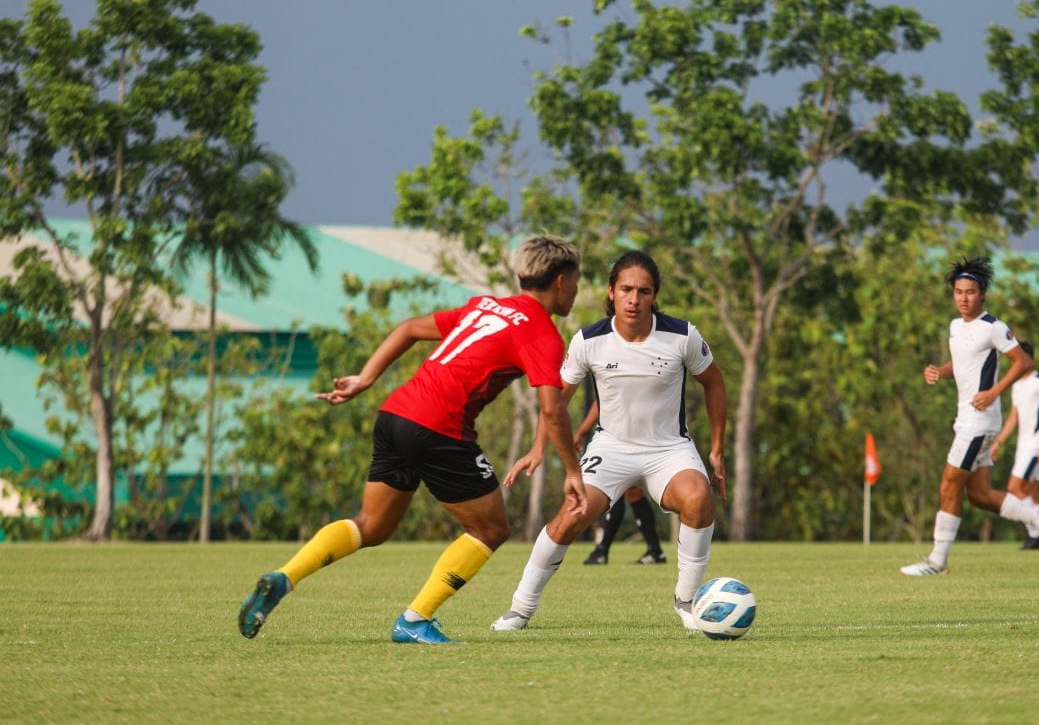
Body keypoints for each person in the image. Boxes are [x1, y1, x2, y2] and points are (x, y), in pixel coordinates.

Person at [236, 235, 588, 644]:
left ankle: (284, 577)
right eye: (577, 282)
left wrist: (365, 380)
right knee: (491, 529)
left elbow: (408, 329)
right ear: (561, 281)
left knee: (372, 525)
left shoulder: (483, 306)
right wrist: (572, 471)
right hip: (440, 428)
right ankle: (415, 619)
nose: (576, 292)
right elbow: (552, 409)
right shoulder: (541, 332)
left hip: (395, 415)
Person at [489, 249, 727, 632]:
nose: (635, 299)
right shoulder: (588, 340)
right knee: (572, 514)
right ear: (612, 291)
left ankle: (687, 601)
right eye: (627, 289)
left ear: (654, 295)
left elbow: (714, 382)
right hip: (610, 449)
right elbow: (556, 399)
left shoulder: (682, 335)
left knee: (698, 499)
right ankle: (520, 608)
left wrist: (716, 450)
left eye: (644, 291)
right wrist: (537, 448)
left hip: (668, 449)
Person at [901, 256, 1039, 576]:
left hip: (980, 421)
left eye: (971, 291)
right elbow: (962, 368)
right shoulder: (954, 327)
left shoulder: (994, 327)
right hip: (965, 419)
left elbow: (1023, 362)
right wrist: (939, 371)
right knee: (978, 495)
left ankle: (937, 562)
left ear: (983, 293)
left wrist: (994, 392)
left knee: (948, 484)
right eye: (959, 291)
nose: (964, 298)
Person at [572, 400, 667, 565]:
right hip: (629, 434)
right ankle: (654, 551)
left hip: (633, 435)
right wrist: (583, 430)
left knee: (616, 489)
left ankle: (602, 551)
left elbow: (602, 400)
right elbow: (602, 399)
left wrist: (582, 430)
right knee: (631, 492)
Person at [989, 341, 1039, 551]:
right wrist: (999, 441)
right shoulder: (1017, 385)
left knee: (1013, 488)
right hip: (1023, 445)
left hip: (1036, 444)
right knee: (1030, 493)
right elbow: (1013, 417)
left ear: (1031, 360)